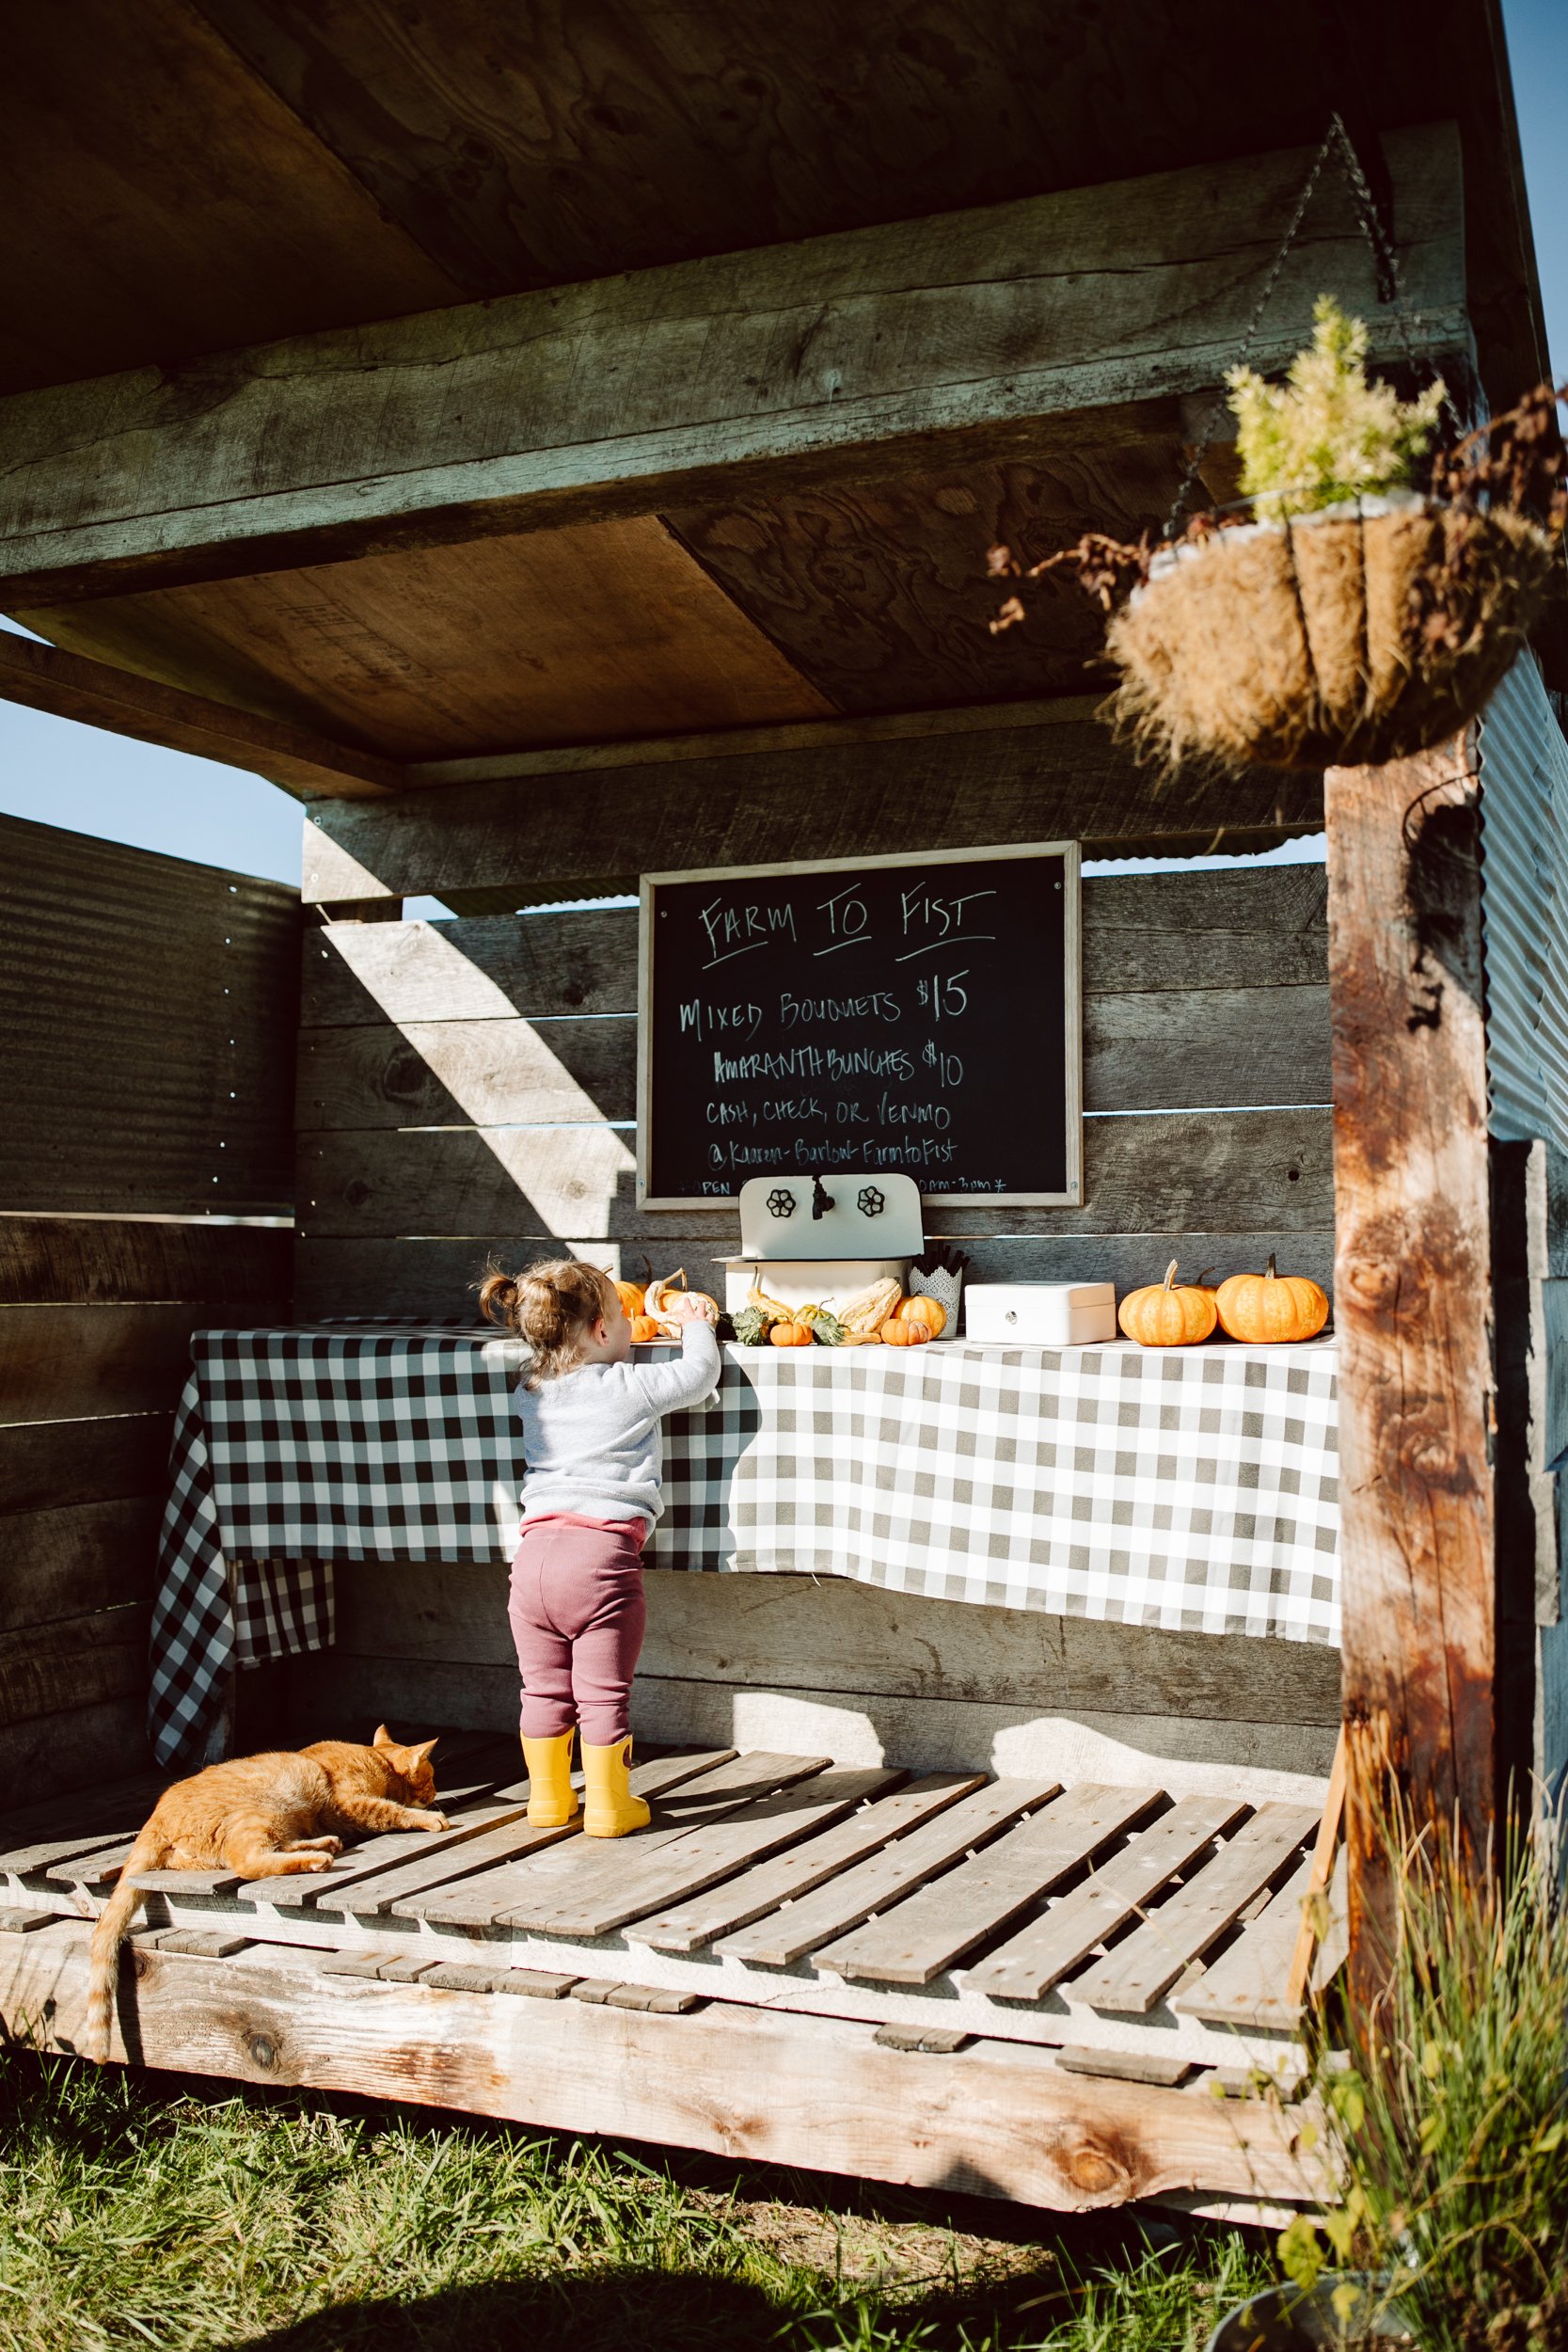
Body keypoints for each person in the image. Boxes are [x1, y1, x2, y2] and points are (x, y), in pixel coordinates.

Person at [479, 1260, 720, 1836]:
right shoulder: (629, 1385)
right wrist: (693, 1323)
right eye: (620, 1316)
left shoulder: (530, 1390)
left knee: (542, 1687)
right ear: (603, 1331)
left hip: (533, 1564)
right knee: (602, 1694)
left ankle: (547, 1801)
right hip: (599, 1564)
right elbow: (699, 1375)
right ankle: (610, 1807)